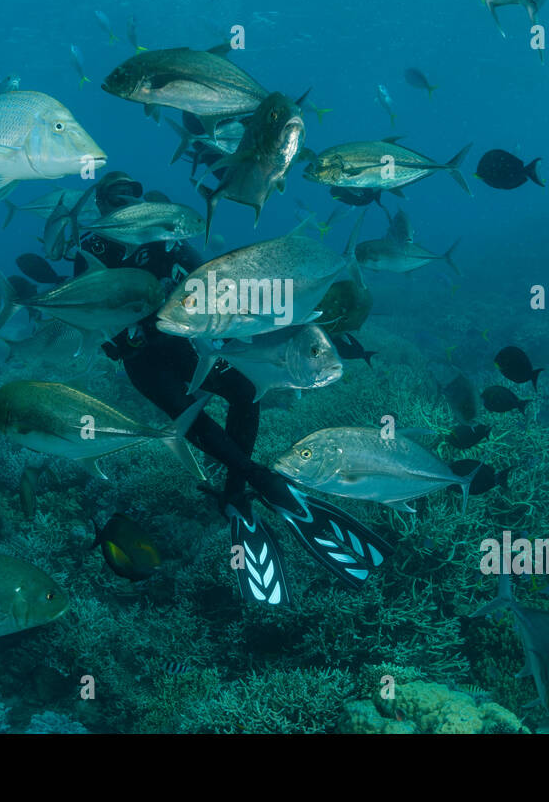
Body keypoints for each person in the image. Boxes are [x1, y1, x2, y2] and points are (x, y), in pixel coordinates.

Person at [73, 172, 392, 606]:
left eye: (132, 197)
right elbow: (85, 307)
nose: (125, 208)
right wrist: (114, 341)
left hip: (187, 344)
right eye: (115, 200)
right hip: (143, 364)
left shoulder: (167, 234)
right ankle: (254, 478)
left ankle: (236, 489)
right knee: (192, 418)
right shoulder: (92, 247)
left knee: (244, 392)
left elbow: (217, 280)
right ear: (102, 206)